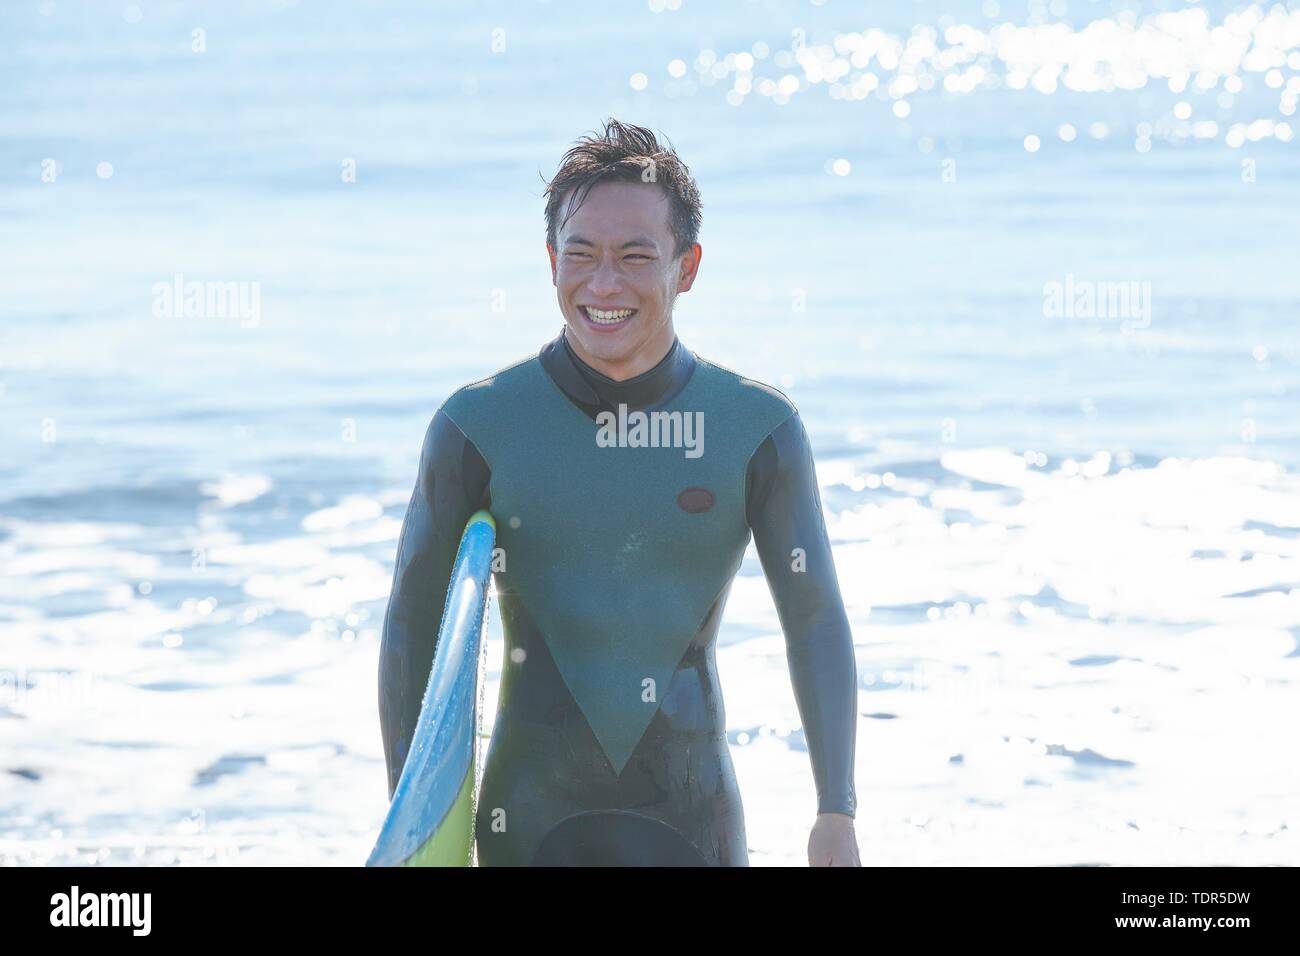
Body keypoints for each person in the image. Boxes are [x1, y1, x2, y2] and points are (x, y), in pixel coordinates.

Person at [378, 118, 860, 866]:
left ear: (688, 266)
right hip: (528, 825)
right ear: (550, 261)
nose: (604, 285)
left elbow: (815, 618)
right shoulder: (477, 426)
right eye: (581, 255)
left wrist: (836, 810)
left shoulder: (755, 429)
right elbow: (413, 622)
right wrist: (409, 827)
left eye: (636, 257)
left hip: (692, 820)